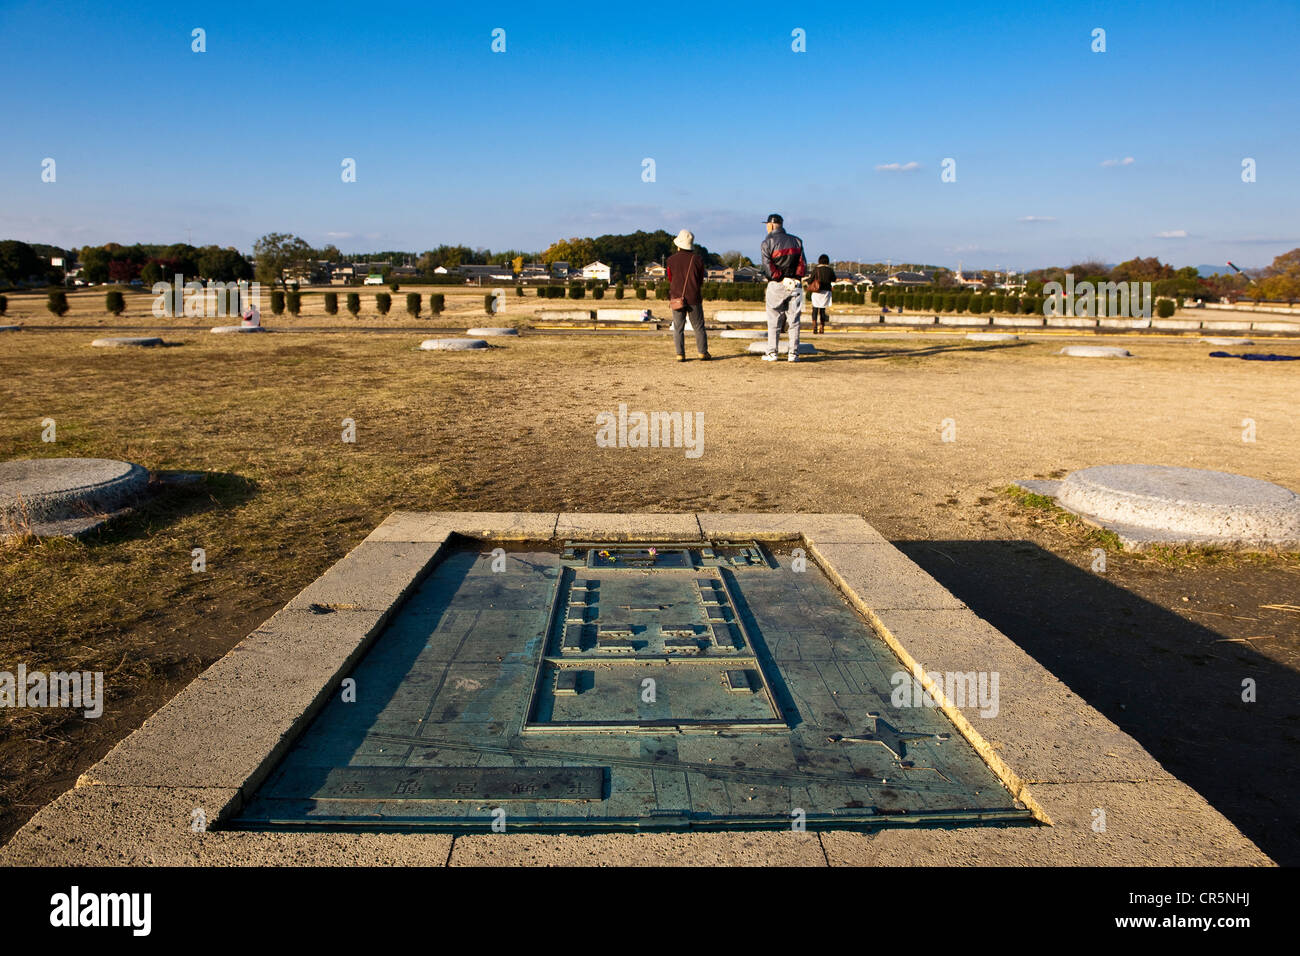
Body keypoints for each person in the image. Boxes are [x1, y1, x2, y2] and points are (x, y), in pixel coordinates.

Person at [759, 213, 807, 361]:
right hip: (796, 284)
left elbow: (768, 267)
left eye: (767, 224)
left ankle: (772, 352)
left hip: (777, 285)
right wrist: (795, 278)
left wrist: (780, 278)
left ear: (771, 225)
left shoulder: (767, 243)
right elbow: (803, 264)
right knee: (794, 321)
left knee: (774, 319)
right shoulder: (797, 241)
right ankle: (793, 353)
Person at [665, 229, 710, 361]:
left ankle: (680, 354)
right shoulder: (698, 259)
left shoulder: (671, 260)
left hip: (676, 298)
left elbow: (670, 278)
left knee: (678, 327)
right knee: (698, 326)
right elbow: (700, 279)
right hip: (694, 297)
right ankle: (702, 352)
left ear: (678, 245)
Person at [808, 254, 835, 334]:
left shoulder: (816, 269)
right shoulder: (830, 270)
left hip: (817, 291)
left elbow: (810, 280)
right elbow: (834, 279)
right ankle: (822, 327)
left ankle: (814, 325)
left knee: (815, 309)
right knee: (822, 310)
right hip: (826, 292)